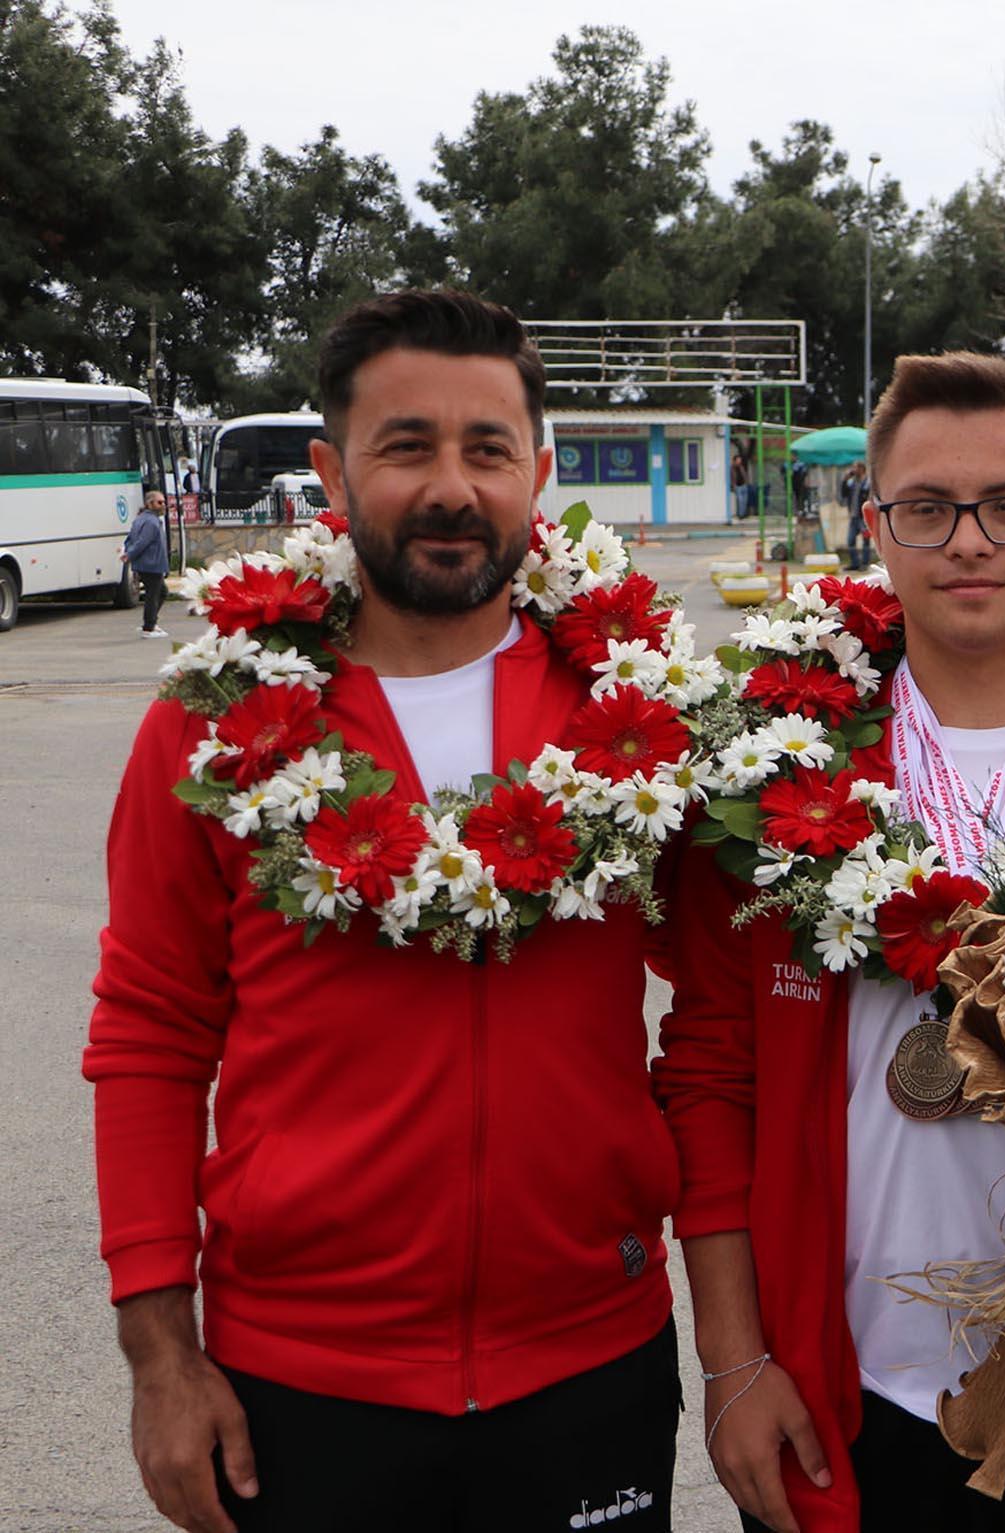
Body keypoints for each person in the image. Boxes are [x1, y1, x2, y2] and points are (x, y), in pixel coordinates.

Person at [85, 289, 683, 1533]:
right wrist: (159, 1354)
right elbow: (149, 1030)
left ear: (540, 475)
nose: (451, 488)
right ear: (332, 472)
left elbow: (730, 1024)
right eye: (407, 447)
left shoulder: (638, 716)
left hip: (590, 1359)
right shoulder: (214, 726)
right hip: (300, 1380)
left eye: (488, 450)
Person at [657, 352, 1005, 1533]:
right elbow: (710, 1079)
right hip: (846, 1398)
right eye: (926, 508)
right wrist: (733, 1362)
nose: (968, 541)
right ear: (876, 526)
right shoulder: (773, 773)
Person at [123, 489, 171, 637]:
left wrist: (128, 552)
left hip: (147, 564)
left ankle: (151, 622)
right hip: (152, 564)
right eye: (159, 502)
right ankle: (149, 627)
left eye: (164, 502)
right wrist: (129, 554)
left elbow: (130, 539)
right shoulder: (150, 521)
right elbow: (142, 542)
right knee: (154, 595)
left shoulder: (141, 519)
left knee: (160, 592)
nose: (163, 505)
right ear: (150, 504)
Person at [840, 461, 871, 570]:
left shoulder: (867, 483)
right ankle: (855, 563)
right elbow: (843, 494)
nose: (853, 470)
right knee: (850, 540)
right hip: (853, 516)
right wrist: (844, 480)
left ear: (862, 469)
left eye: (856, 468)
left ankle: (865, 564)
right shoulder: (851, 482)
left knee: (865, 540)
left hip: (863, 517)